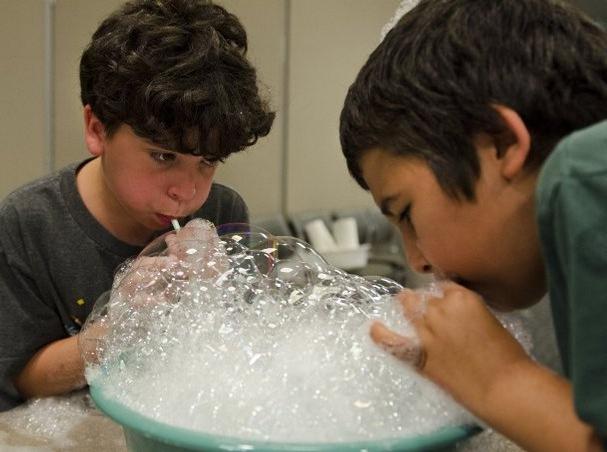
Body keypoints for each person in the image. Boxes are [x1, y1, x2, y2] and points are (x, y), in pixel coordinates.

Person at [339, 0, 606, 450]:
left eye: (406, 213)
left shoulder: (585, 172)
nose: (417, 261)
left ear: (502, 143)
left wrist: (498, 379)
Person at [0, 0, 274, 410]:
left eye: (207, 162)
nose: (187, 192)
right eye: (163, 156)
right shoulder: (29, 223)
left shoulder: (221, 212)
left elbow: (244, 356)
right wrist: (120, 327)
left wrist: (221, 302)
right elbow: (21, 378)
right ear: (97, 129)